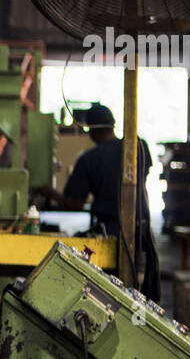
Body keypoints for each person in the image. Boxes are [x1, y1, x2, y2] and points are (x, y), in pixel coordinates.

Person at [37, 102, 160, 299]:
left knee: (108, 295)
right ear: (112, 124)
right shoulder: (139, 146)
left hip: (108, 234)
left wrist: (48, 192)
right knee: (139, 296)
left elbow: (73, 203)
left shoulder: (89, 159)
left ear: (91, 130)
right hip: (141, 234)